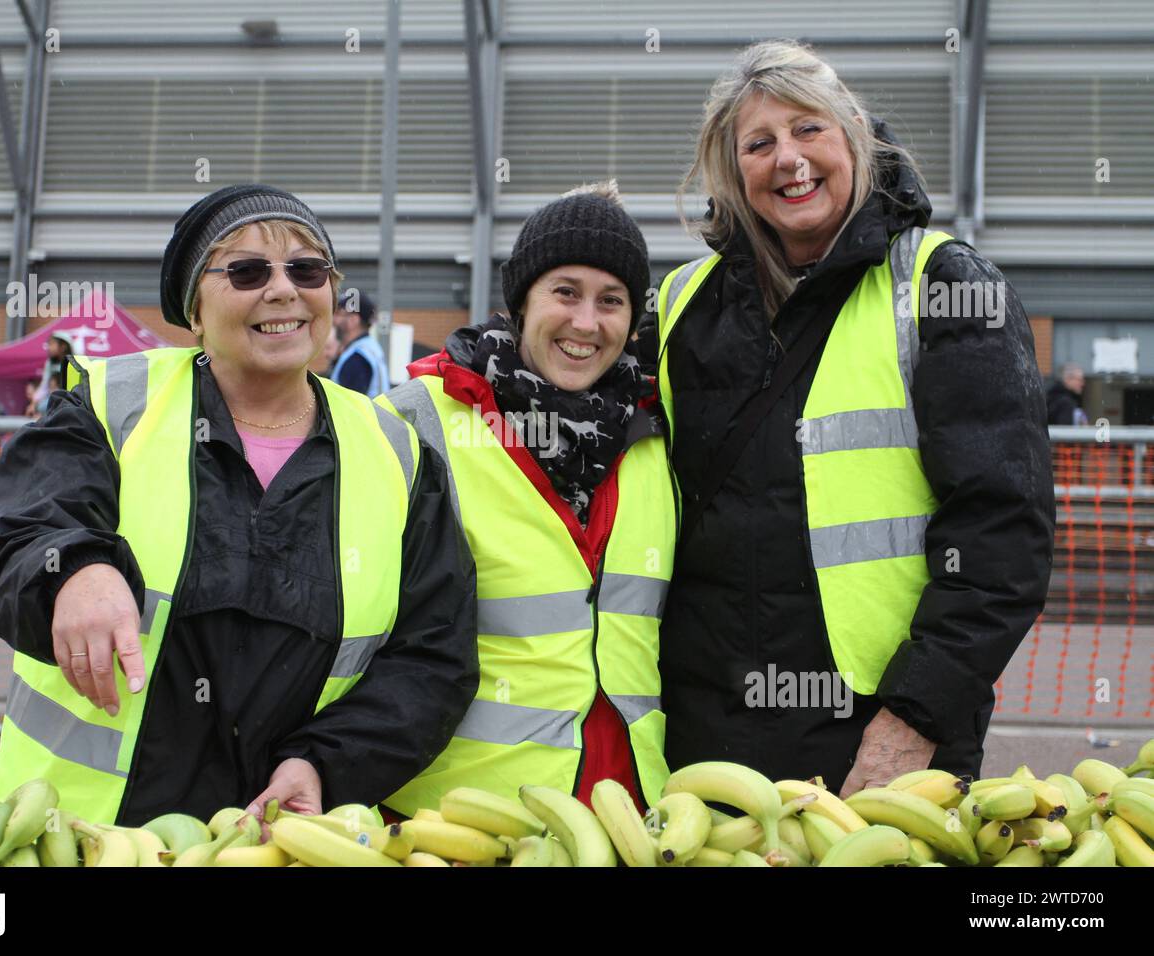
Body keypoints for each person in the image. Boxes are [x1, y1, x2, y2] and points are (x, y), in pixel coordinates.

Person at [0, 183, 478, 826]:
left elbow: (434, 655)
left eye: (307, 269)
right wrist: (74, 569)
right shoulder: (110, 407)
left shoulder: (397, 453)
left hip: (283, 838)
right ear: (194, 311)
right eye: (246, 271)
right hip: (83, 834)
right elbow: (25, 534)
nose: (283, 290)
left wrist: (326, 762)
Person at [646, 40, 1054, 797]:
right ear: (734, 171)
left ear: (855, 139)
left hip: (880, 730)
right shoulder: (679, 304)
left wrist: (916, 718)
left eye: (809, 131)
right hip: (704, 725)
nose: (789, 160)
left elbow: (1002, 531)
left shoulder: (941, 287)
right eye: (759, 143)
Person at [381, 181, 675, 815]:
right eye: (564, 292)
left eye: (612, 300)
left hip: (631, 817)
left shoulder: (654, 433)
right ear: (520, 301)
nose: (585, 322)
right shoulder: (415, 422)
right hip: (460, 821)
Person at [331, 289, 390, 398]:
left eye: (339, 313)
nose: (334, 320)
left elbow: (348, 407)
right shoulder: (369, 348)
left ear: (353, 320)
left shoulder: (357, 358)